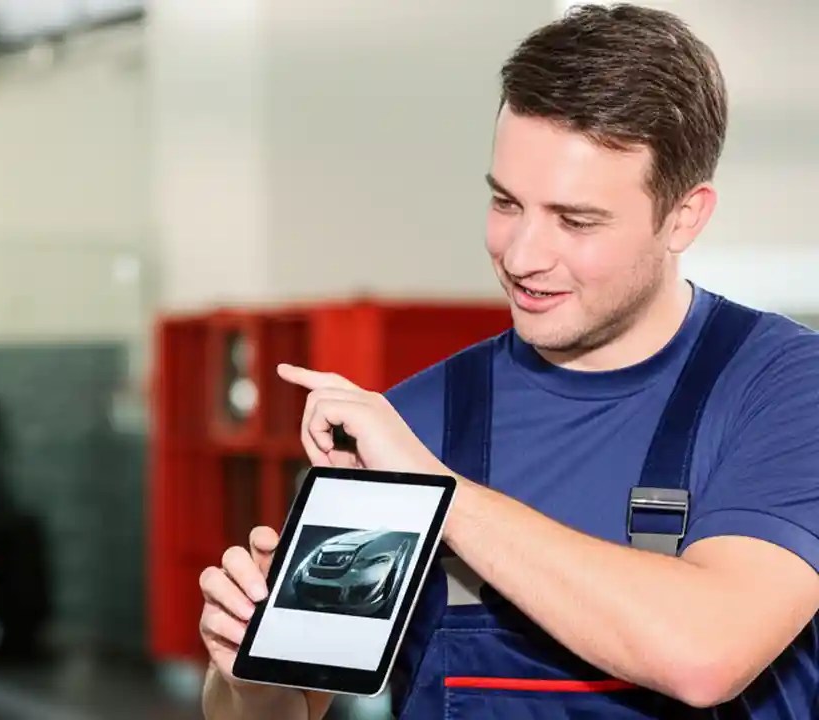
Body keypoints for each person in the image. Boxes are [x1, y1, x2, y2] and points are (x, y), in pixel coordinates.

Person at [199, 4, 819, 719]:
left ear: (685, 215)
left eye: (575, 220)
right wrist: (248, 674)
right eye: (505, 202)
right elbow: (293, 701)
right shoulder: (420, 419)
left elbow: (706, 654)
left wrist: (438, 494)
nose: (522, 256)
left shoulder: (782, 390)